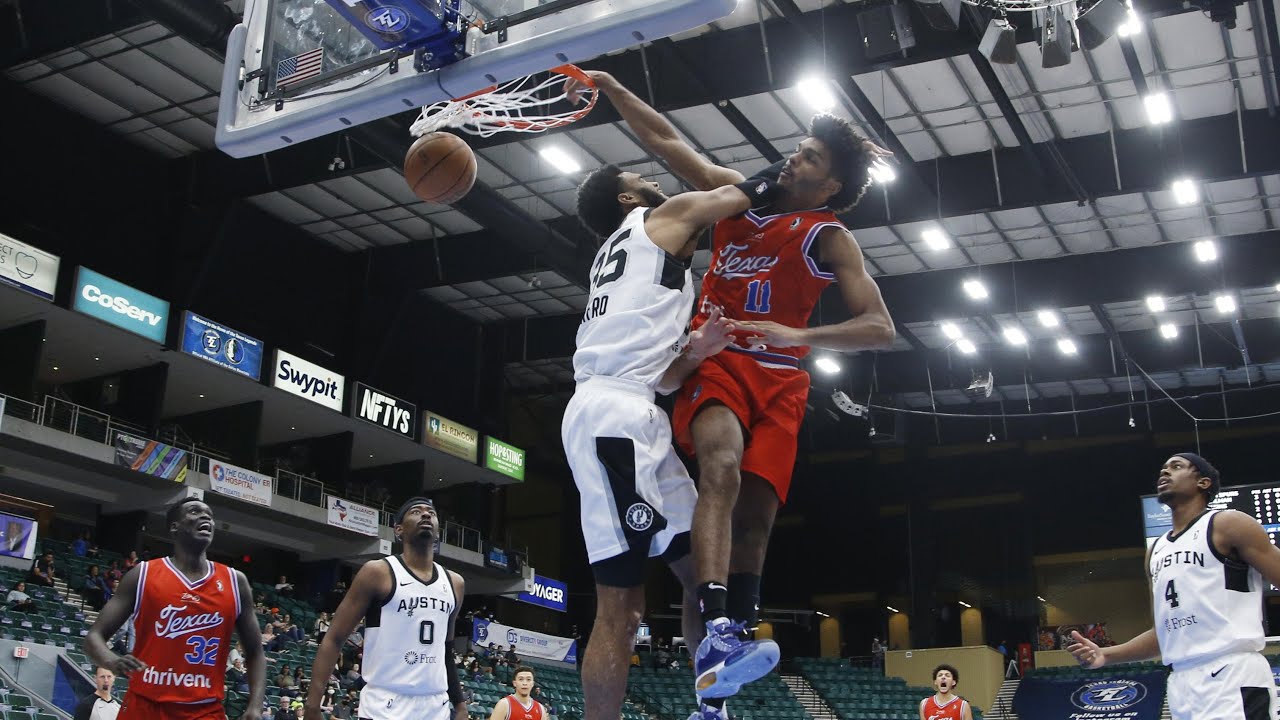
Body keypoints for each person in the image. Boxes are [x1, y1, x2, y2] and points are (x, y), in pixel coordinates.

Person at [568, 72, 895, 717]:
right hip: (708, 369)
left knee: (753, 521)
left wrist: (795, 331)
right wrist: (612, 88)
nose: (795, 156)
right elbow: (665, 141)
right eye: (798, 148)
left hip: (752, 374)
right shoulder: (721, 203)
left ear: (829, 185)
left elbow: (882, 327)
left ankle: (716, 675)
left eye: (811, 156)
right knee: (717, 469)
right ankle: (719, 627)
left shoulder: (828, 235)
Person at [566, 155, 790, 720]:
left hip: (636, 412)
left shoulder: (623, 255)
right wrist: (799, 164)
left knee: (700, 572)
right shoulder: (662, 216)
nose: (650, 178)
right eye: (636, 176)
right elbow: (748, 192)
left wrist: (700, 351)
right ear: (624, 198)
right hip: (610, 416)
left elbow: (664, 377)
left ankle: (710, 706)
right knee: (622, 605)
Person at [1068, 453, 1280, 720]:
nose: (1164, 473)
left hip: (1232, 672)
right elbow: (1163, 634)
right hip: (1182, 682)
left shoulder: (1228, 525)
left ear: (1202, 482)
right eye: (1163, 469)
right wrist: (1105, 655)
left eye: (1176, 467)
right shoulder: (1156, 550)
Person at [83, 497, 266, 720]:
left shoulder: (235, 582)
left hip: (203, 709)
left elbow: (255, 651)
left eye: (208, 513)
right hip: (145, 705)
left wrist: (255, 706)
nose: (205, 516)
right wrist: (111, 661)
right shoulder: (143, 575)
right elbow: (94, 636)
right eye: (194, 512)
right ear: (174, 527)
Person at [304, 498, 466, 720]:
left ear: (438, 533)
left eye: (432, 513)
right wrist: (313, 704)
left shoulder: (454, 583)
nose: (426, 515)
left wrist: (460, 704)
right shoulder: (378, 572)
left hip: (434, 707)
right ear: (399, 530)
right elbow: (334, 638)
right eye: (416, 512)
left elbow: (446, 649)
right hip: (384, 706)